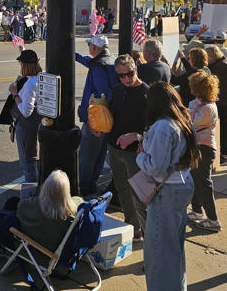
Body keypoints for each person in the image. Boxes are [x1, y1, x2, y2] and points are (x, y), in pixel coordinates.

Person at [136, 82, 200, 290]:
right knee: (173, 247)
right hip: (182, 184)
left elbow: (156, 168)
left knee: (159, 251)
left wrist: (140, 156)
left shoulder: (164, 126)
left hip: (167, 192)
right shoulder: (183, 118)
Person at [0, 170, 81, 276]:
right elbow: (78, 200)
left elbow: (21, 207)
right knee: (12, 203)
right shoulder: (76, 207)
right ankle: (2, 250)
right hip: (57, 247)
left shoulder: (33, 208)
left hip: (37, 252)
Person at [106, 54, 149, 239]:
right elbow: (111, 115)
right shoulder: (117, 90)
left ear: (136, 69)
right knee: (122, 188)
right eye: (121, 76)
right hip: (115, 148)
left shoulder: (147, 93)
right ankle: (133, 227)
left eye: (129, 73)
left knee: (139, 195)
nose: (126, 78)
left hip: (135, 153)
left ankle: (149, 235)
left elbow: (155, 125)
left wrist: (139, 138)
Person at [75, 34, 117, 196]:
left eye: (90, 45)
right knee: (99, 155)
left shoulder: (98, 67)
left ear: (96, 48)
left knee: (87, 156)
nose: (88, 48)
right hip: (109, 119)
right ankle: (91, 185)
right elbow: (89, 61)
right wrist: (75, 56)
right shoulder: (109, 60)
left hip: (97, 120)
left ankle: (84, 188)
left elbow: (101, 95)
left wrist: (94, 122)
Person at [187, 71, 221, 232]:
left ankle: (213, 220)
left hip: (205, 148)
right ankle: (196, 211)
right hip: (197, 147)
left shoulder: (208, 108)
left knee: (204, 184)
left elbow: (190, 122)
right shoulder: (199, 103)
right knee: (195, 180)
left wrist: (187, 111)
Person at [8, 49, 42, 183]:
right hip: (38, 124)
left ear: (25, 65)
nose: (20, 66)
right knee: (34, 159)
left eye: (21, 63)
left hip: (27, 126)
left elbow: (26, 112)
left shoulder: (30, 84)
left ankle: (31, 194)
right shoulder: (40, 77)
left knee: (28, 163)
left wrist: (15, 94)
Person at [206, 45, 227, 165]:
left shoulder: (220, 66)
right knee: (223, 127)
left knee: (223, 127)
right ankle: (223, 154)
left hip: (225, 100)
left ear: (212, 55)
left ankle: (224, 155)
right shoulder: (224, 63)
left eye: (207, 56)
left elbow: (213, 81)